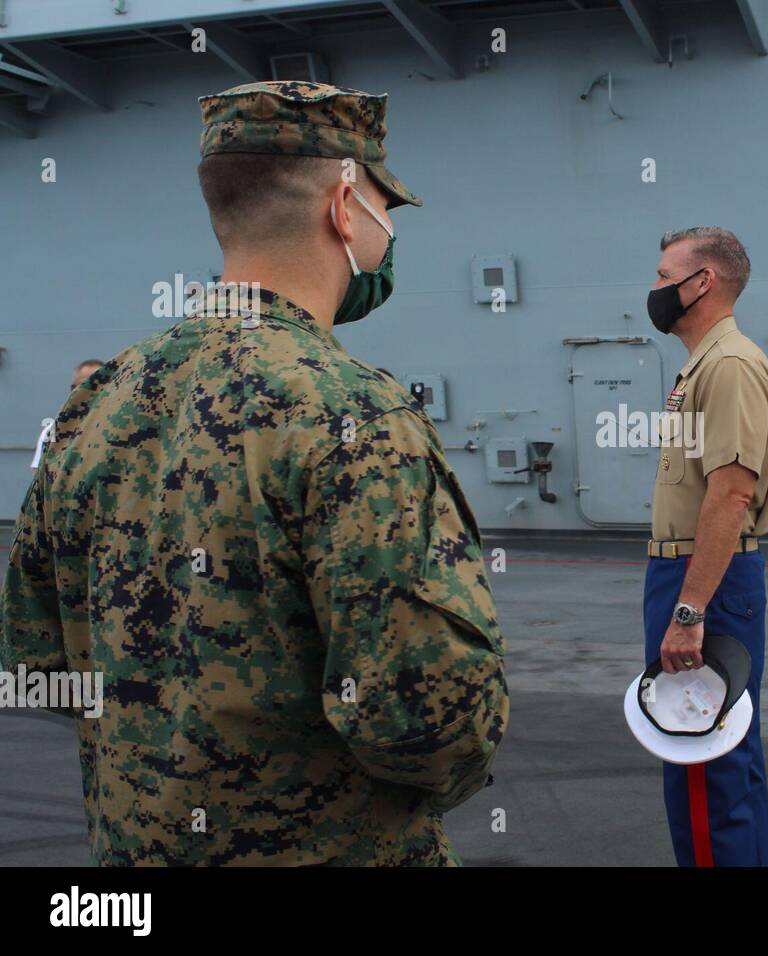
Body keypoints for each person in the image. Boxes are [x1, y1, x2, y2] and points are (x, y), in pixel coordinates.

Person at [0, 80, 508, 866]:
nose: (385, 232)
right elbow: (428, 720)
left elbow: (34, 664)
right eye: (383, 206)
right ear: (345, 205)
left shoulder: (92, 404)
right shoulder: (354, 415)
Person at [642, 226, 768, 866]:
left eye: (661, 275)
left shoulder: (727, 366)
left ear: (700, 282)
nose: (653, 289)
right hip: (702, 579)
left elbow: (731, 496)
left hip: (704, 584)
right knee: (725, 757)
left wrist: (687, 611)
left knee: (701, 763)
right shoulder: (706, 364)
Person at [30, 359, 103, 469]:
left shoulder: (126, 427)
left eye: (101, 384)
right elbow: (39, 476)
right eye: (87, 385)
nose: (94, 390)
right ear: (74, 389)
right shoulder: (55, 431)